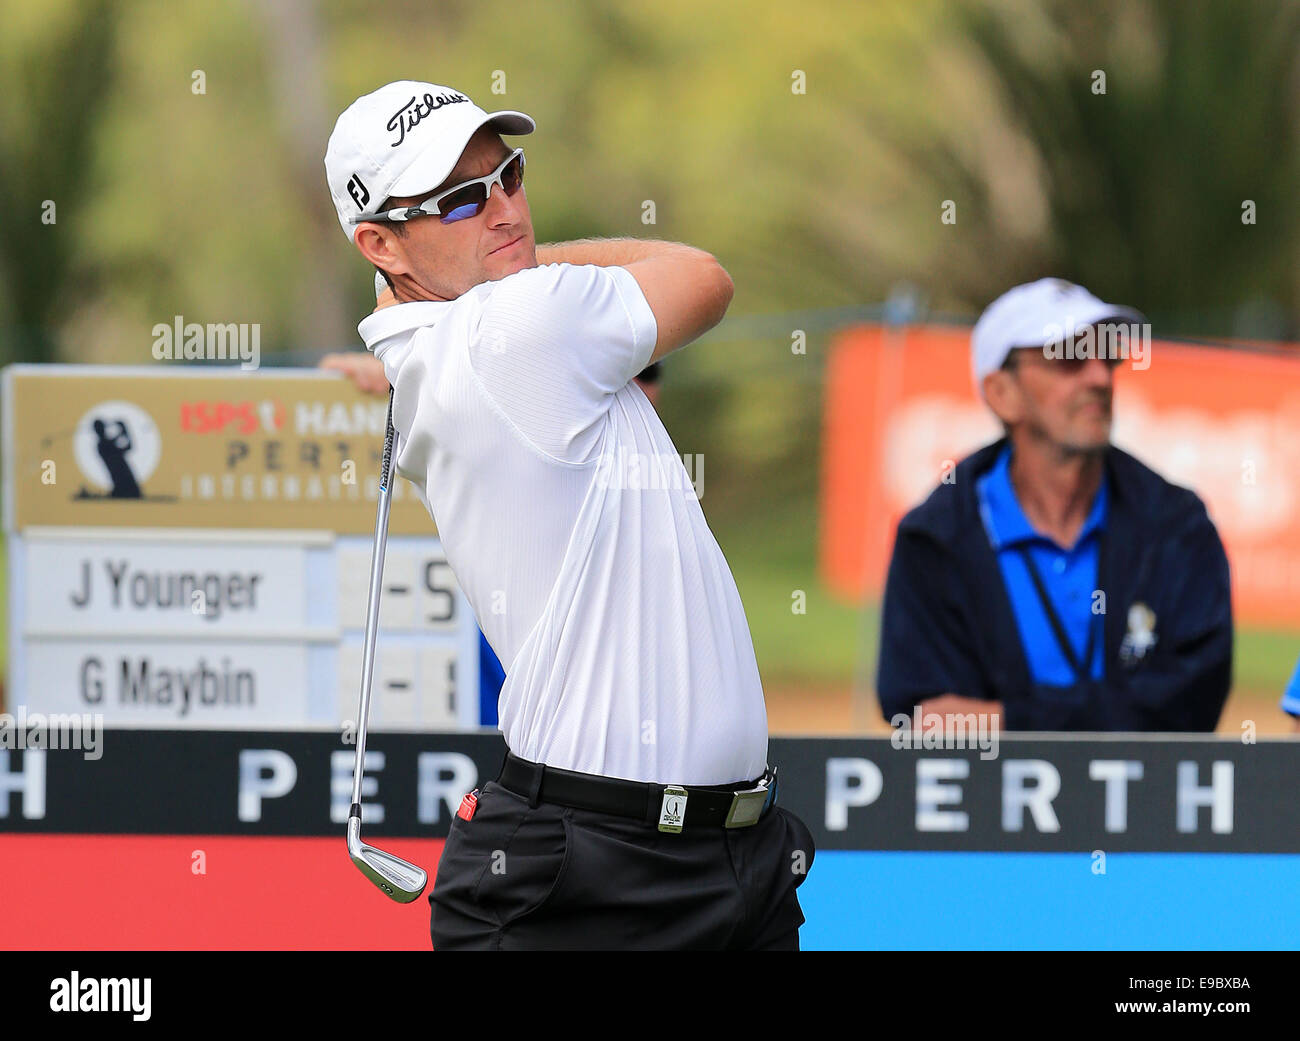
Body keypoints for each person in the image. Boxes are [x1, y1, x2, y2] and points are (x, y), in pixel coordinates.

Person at [324, 81, 813, 950]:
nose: (504, 209)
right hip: (587, 876)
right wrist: (530, 265)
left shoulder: (468, 331)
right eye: (461, 200)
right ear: (379, 243)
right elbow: (704, 276)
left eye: (508, 175)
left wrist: (502, 259)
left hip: (716, 857)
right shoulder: (514, 326)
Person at [877, 278, 1232, 731]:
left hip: (1147, 802)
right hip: (990, 803)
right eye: (1070, 358)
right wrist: (1115, 713)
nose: (1100, 377)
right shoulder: (934, 538)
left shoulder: (1178, 525)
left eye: (1108, 356)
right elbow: (924, 723)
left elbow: (1189, 706)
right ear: (1001, 392)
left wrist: (1007, 719)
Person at [322, 334, 665, 726]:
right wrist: (412, 385)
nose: (626, 385)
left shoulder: (652, 495)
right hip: (461, 731)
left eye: (646, 370)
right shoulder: (500, 428)